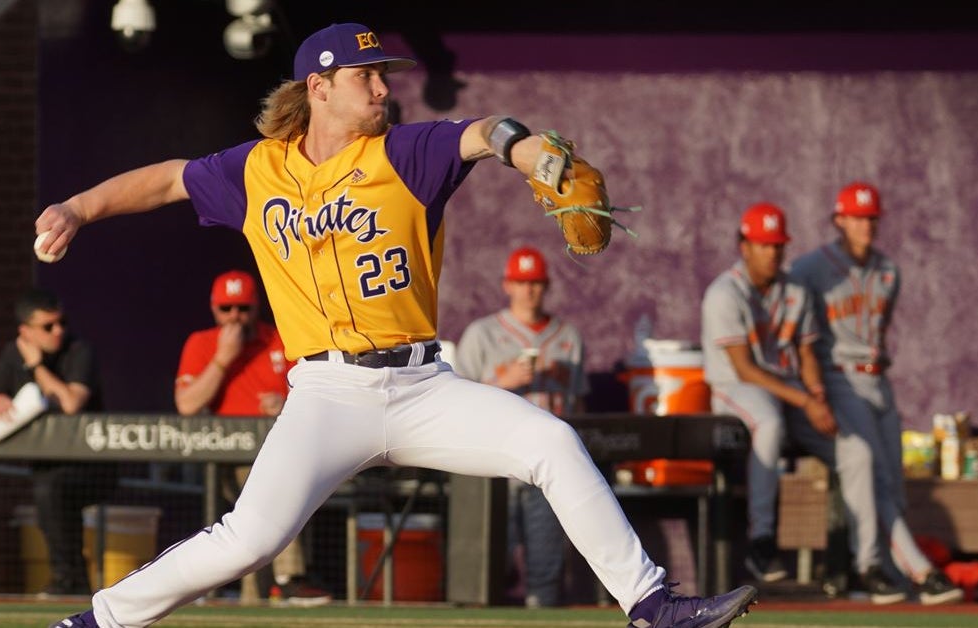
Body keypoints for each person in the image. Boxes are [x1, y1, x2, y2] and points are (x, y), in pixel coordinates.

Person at [43, 22, 756, 628]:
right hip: (326, 395)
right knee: (249, 540)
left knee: (552, 442)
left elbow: (482, 134)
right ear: (319, 88)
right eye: (367, 77)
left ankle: (651, 605)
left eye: (384, 76)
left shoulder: (404, 153)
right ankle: (97, 620)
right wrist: (77, 208)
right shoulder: (256, 170)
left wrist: (531, 151)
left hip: (422, 386)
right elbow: (170, 177)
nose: (384, 89)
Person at [702, 203, 913, 604]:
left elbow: (808, 355)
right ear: (744, 245)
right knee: (768, 423)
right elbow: (744, 369)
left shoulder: (794, 289)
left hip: (787, 390)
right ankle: (762, 540)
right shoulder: (723, 292)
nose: (772, 253)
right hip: (736, 390)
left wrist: (817, 397)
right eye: (763, 245)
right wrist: (806, 398)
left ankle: (866, 564)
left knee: (857, 452)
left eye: (778, 245)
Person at [789, 182, 961, 605]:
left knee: (893, 486)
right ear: (839, 220)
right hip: (839, 377)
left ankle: (886, 574)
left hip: (879, 378)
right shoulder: (811, 268)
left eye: (871, 217)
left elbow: (880, 330)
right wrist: (812, 391)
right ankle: (912, 570)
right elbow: (796, 333)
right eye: (857, 216)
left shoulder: (888, 270)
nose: (866, 224)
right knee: (874, 476)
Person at [175, 269, 330, 606]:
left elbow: (316, 394)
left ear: (256, 307)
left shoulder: (280, 340)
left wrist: (286, 400)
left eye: (243, 308)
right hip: (227, 461)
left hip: (280, 449)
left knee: (279, 483)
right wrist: (222, 359)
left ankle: (264, 596)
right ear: (215, 309)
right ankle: (290, 579)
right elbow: (187, 404)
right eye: (227, 309)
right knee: (267, 486)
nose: (235, 317)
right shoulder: (202, 343)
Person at [453, 246, 588, 608]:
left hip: (546, 463)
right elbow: (454, 402)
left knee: (546, 568)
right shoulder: (481, 334)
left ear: (547, 286)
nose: (529, 290)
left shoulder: (568, 337)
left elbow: (579, 402)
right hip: (494, 462)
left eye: (536, 283)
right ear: (507, 285)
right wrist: (503, 380)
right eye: (522, 282)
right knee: (491, 564)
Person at [0, 289, 113, 596]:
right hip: (49, 466)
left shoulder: (79, 350)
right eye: (48, 327)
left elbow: (71, 403)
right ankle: (71, 582)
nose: (58, 330)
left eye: (61, 322)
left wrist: (37, 366)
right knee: (48, 486)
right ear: (26, 331)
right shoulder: (13, 353)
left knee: (51, 489)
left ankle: (67, 582)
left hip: (92, 466)